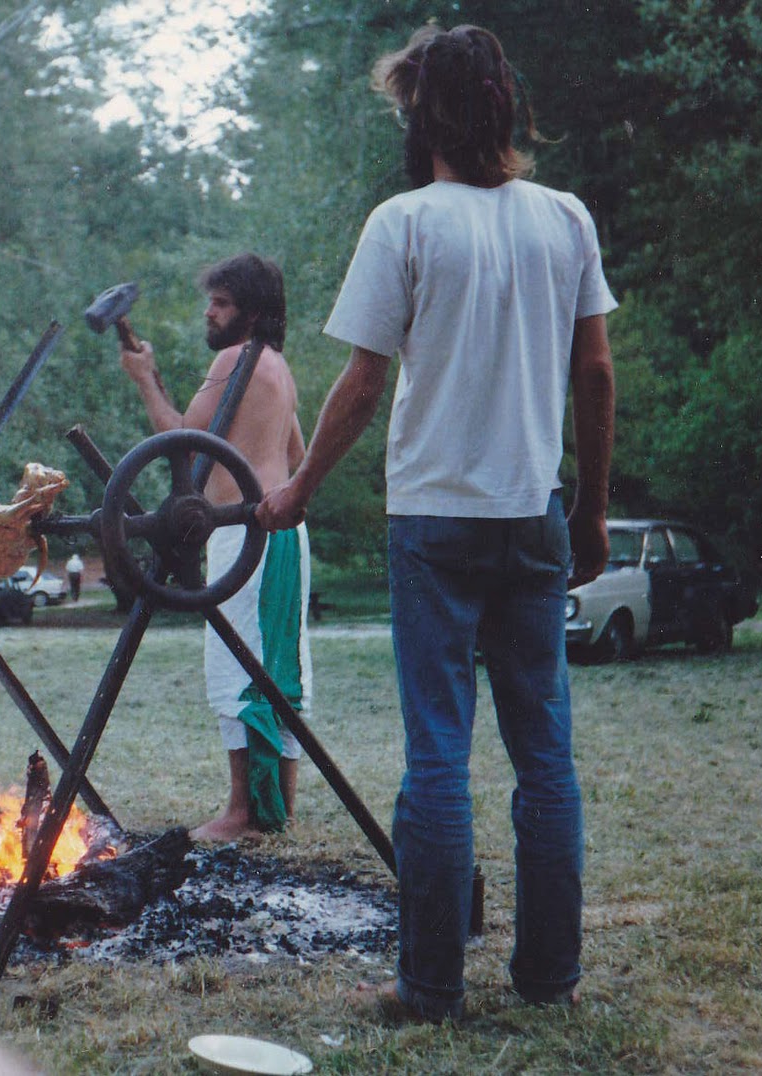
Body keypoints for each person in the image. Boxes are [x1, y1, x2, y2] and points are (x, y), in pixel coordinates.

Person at [257, 24, 616, 1022]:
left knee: (436, 760)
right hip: (533, 515)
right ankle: (548, 979)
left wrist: (292, 492)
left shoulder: (404, 223)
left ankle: (429, 985)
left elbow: (363, 384)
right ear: (508, 103)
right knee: (544, 759)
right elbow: (594, 371)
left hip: (433, 524)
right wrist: (587, 509)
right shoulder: (567, 219)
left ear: (421, 114)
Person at [119, 252, 312, 841]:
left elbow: (177, 440)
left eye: (221, 303)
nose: (209, 312)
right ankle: (274, 808)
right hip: (284, 535)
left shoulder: (234, 359)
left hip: (242, 536)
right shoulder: (277, 366)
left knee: (238, 668)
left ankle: (242, 815)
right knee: (278, 669)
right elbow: (299, 460)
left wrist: (144, 378)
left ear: (250, 313)